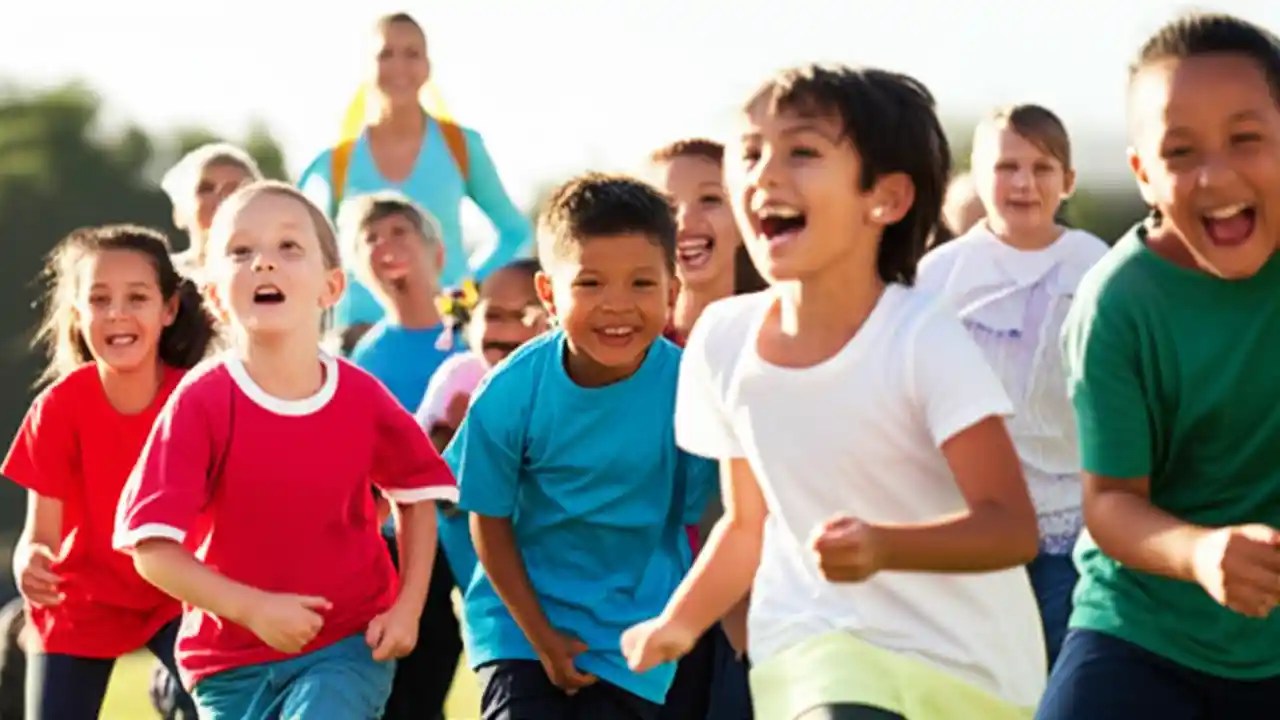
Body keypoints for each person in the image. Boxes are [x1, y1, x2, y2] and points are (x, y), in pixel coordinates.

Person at [622, 64, 1046, 720]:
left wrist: (885, 547)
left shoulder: (921, 338)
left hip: (964, 667)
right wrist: (679, 623)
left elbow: (1011, 527)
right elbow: (745, 524)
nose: (765, 174)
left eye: (802, 152)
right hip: (810, 648)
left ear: (887, 199)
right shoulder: (724, 339)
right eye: (751, 153)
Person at [112, 181, 457, 719]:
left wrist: (407, 608)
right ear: (215, 294)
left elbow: (417, 496)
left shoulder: (361, 397)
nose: (264, 263)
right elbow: (152, 549)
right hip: (227, 667)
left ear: (331, 286)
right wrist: (252, 609)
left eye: (289, 246)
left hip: (346, 646)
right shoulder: (201, 402)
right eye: (241, 251)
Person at [1034, 13, 1280, 719]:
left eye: (1246, 139)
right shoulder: (1116, 304)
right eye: (1179, 151)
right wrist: (1200, 554)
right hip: (1143, 633)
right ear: (1143, 174)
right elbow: (1111, 502)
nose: (1215, 174)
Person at [447, 173, 718, 719]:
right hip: (518, 627)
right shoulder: (509, 392)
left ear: (673, 291)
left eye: (641, 284)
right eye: (590, 283)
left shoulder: (693, 391)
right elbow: (487, 520)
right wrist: (541, 637)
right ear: (548, 294)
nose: (617, 305)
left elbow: (704, 515)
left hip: (635, 633)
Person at [916, 104, 1108, 667]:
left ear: (1068, 181)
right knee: (978, 675)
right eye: (1006, 167)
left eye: (1042, 168)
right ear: (977, 177)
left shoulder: (1095, 266)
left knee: (1057, 671)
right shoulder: (939, 275)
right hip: (969, 517)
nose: (1024, 183)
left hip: (1070, 523)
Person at [2, 225, 216, 719]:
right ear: (79, 314)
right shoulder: (58, 408)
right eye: (99, 299)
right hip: (79, 600)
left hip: (180, 593)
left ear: (168, 309)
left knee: (217, 707)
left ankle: (173, 690)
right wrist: (28, 561)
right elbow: (41, 536)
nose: (117, 313)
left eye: (136, 297)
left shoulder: (199, 399)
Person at [298, 12, 532, 341]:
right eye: (385, 54)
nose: (399, 66)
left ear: (427, 67)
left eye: (412, 54)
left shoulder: (461, 146)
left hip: (445, 333)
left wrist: (464, 289)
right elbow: (306, 249)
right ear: (367, 66)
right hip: (358, 337)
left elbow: (515, 231)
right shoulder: (335, 162)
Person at [646, 138, 754, 720]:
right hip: (652, 607)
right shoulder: (626, 351)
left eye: (710, 199)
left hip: (758, 612)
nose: (687, 221)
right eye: (667, 207)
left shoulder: (780, 336)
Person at [161, 143, 263, 286]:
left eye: (233, 189)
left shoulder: (269, 269)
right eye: (206, 189)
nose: (220, 198)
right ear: (179, 212)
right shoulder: (162, 274)